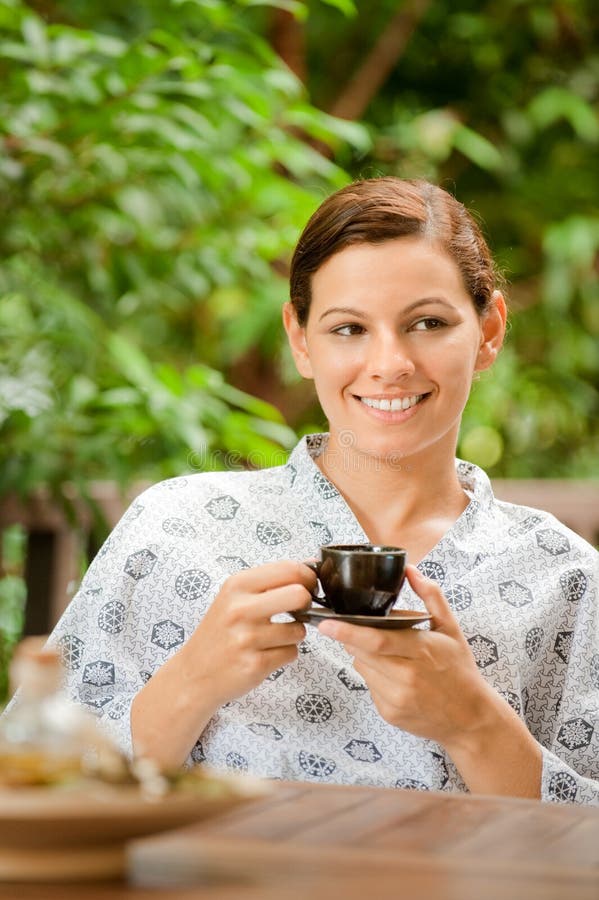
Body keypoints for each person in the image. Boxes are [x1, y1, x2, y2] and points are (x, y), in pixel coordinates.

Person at [29, 178, 599, 802]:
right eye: (348, 329)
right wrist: (190, 682)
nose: (390, 363)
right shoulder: (176, 529)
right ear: (300, 338)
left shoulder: (565, 577)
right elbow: (30, 777)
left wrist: (475, 725)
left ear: (488, 331)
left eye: (428, 322)